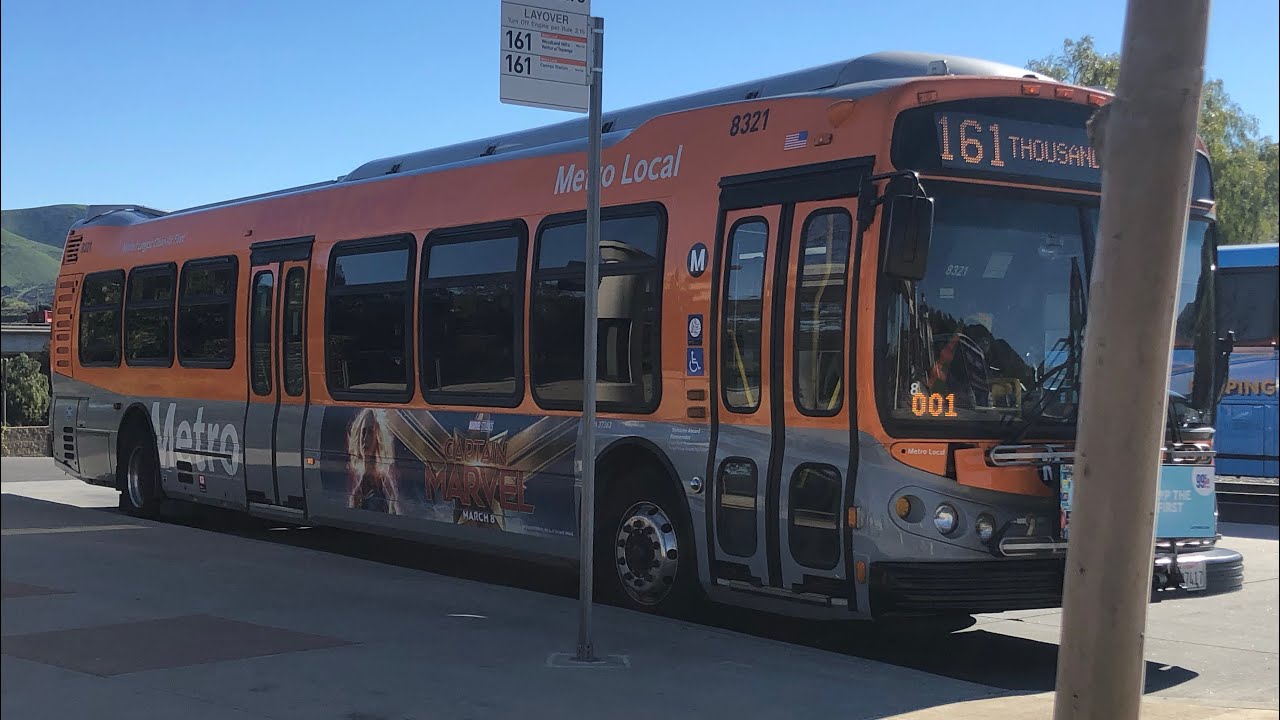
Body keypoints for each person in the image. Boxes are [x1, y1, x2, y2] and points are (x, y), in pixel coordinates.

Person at [345, 408, 402, 514]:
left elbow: (395, 514)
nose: (365, 439)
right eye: (363, 432)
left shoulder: (384, 480)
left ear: (378, 436)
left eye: (370, 432)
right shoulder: (358, 479)